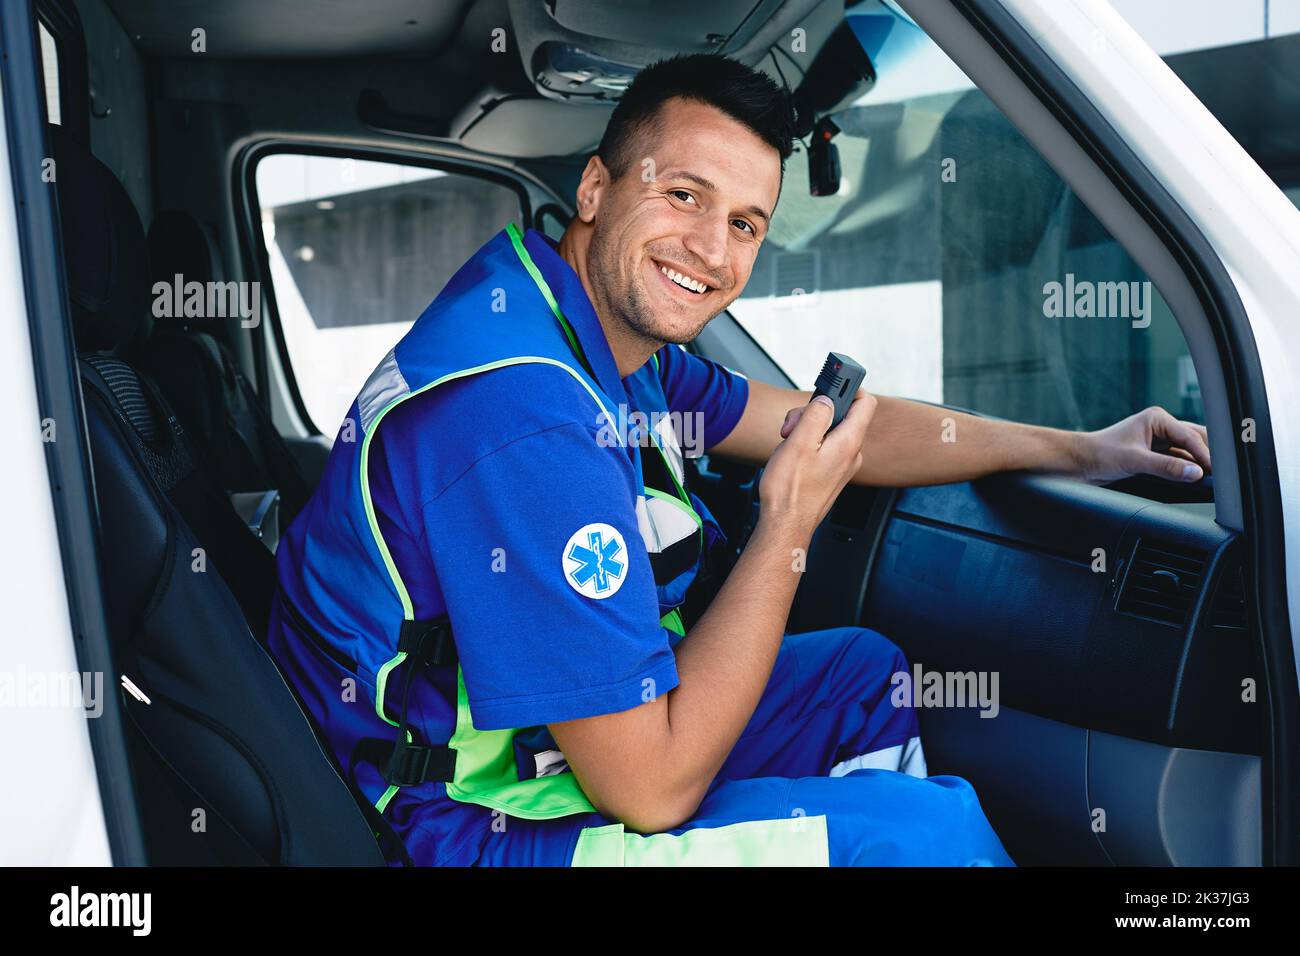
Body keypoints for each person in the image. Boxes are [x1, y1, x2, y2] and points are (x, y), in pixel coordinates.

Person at [266, 54, 1211, 866]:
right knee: (929, 836)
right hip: (460, 822)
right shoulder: (527, 419)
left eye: (747, 222)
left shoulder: (576, 321)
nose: (712, 251)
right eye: (683, 195)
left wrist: (1083, 449)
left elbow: (835, 427)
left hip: (541, 746)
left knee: (861, 675)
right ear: (595, 188)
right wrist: (787, 525)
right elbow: (652, 790)